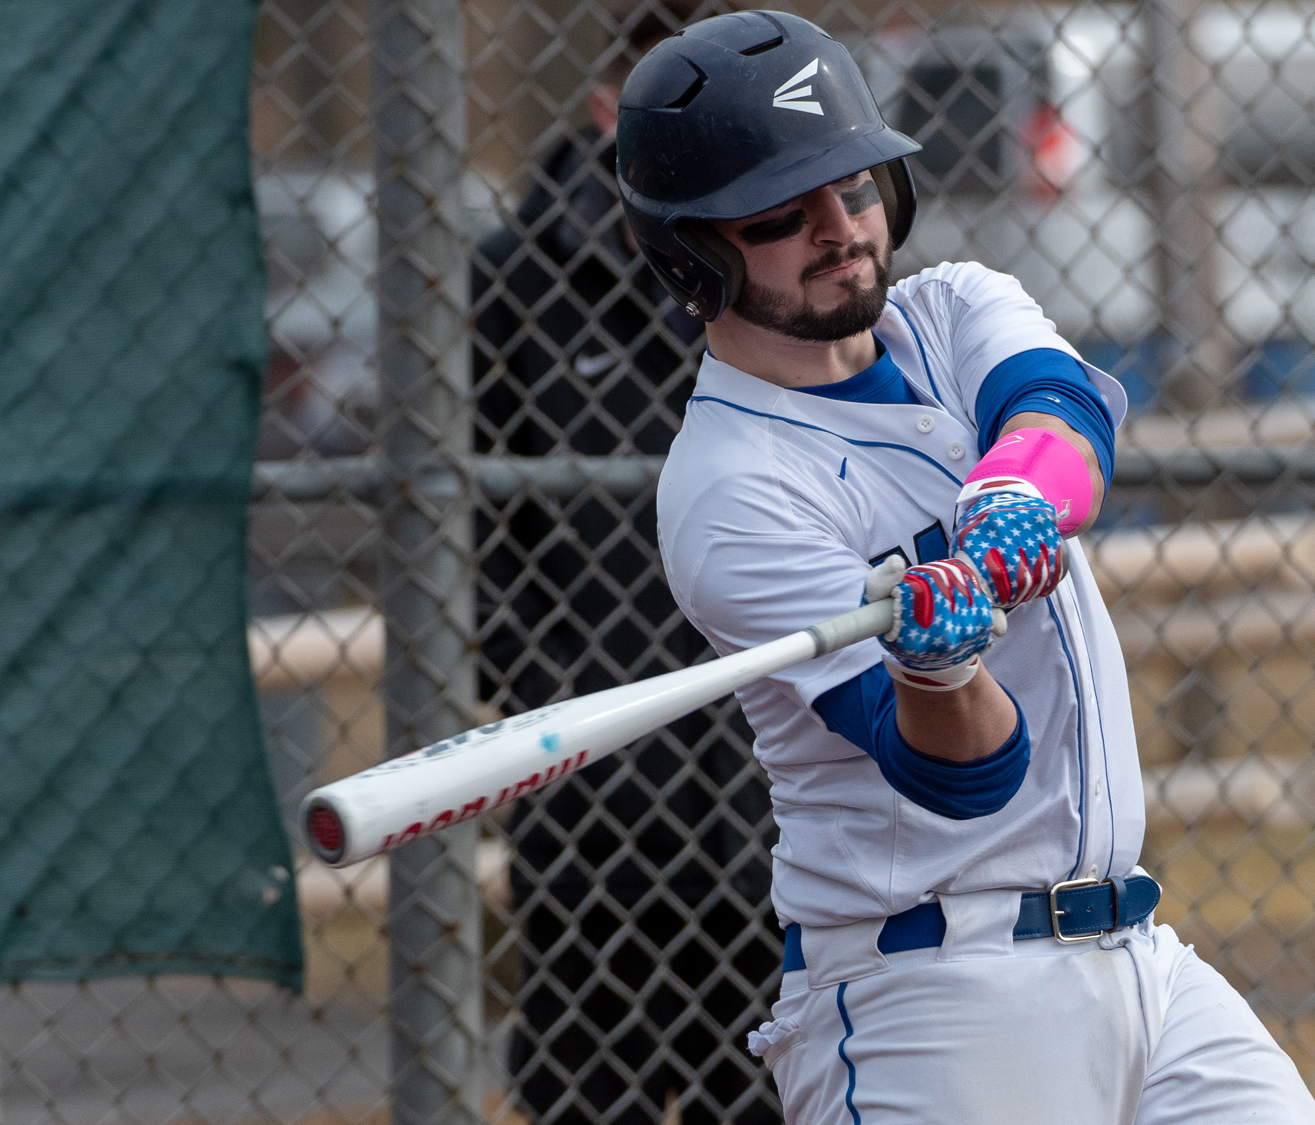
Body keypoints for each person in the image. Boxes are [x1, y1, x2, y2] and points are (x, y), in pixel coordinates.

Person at [617, 12, 1315, 1122]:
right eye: (780, 216)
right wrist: (936, 669)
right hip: (928, 1002)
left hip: (1139, 958)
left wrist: (1011, 500)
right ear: (690, 255)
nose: (838, 229)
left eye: (852, 189)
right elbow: (963, 776)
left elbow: (1065, 413)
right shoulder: (730, 490)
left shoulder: (950, 310)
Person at [471, 5, 782, 1122]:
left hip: (773, 780)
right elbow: (473, 545)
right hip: (591, 789)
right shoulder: (518, 278)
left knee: (767, 1075)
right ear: (613, 103)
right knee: (581, 1077)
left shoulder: (787, 264)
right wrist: (557, 710)